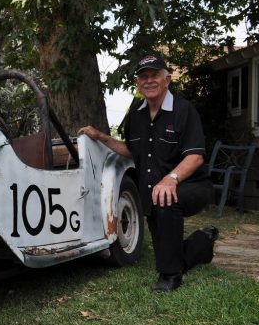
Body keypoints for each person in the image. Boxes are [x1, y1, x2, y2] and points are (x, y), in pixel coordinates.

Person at [79, 53, 217, 292]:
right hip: (154, 192)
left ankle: (170, 277)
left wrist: (171, 179)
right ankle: (202, 242)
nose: (149, 80)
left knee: (165, 204)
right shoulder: (136, 115)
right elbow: (132, 151)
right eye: (144, 77)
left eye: (155, 75)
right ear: (138, 83)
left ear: (167, 80)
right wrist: (101, 137)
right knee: (167, 249)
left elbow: (195, 157)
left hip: (191, 185)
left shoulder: (184, 110)